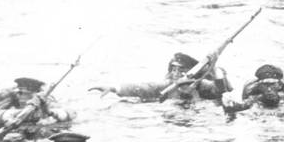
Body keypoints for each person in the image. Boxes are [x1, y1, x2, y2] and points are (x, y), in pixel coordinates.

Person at [90, 52, 231, 103]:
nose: (176, 72)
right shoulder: (167, 86)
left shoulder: (201, 85)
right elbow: (142, 88)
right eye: (173, 69)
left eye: (181, 69)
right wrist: (113, 88)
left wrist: (213, 67)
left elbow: (220, 89)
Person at [0, 77, 73, 142]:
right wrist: (24, 113)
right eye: (19, 93)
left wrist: (48, 112)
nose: (21, 97)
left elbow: (70, 113)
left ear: (36, 94)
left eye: (26, 94)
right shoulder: (10, 106)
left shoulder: (45, 104)